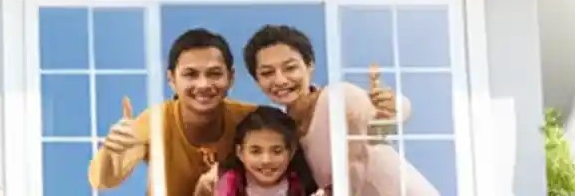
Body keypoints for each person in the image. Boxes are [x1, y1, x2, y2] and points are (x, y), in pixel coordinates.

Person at [242, 25, 439, 195]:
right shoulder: (285, 130)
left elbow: (387, 119)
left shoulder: (338, 98)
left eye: (290, 68)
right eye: (267, 73)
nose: (280, 80)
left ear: (310, 66)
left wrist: (396, 105)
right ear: (257, 80)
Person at [89, 29, 258, 195]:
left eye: (214, 74)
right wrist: (113, 151)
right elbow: (102, 181)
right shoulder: (155, 122)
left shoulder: (252, 120)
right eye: (190, 74)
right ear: (171, 80)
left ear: (231, 77)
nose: (203, 85)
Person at [205, 106, 322, 196]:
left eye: (276, 151)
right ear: (240, 153)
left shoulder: (302, 186)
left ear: (291, 152)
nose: (266, 160)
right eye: (255, 151)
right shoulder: (227, 186)